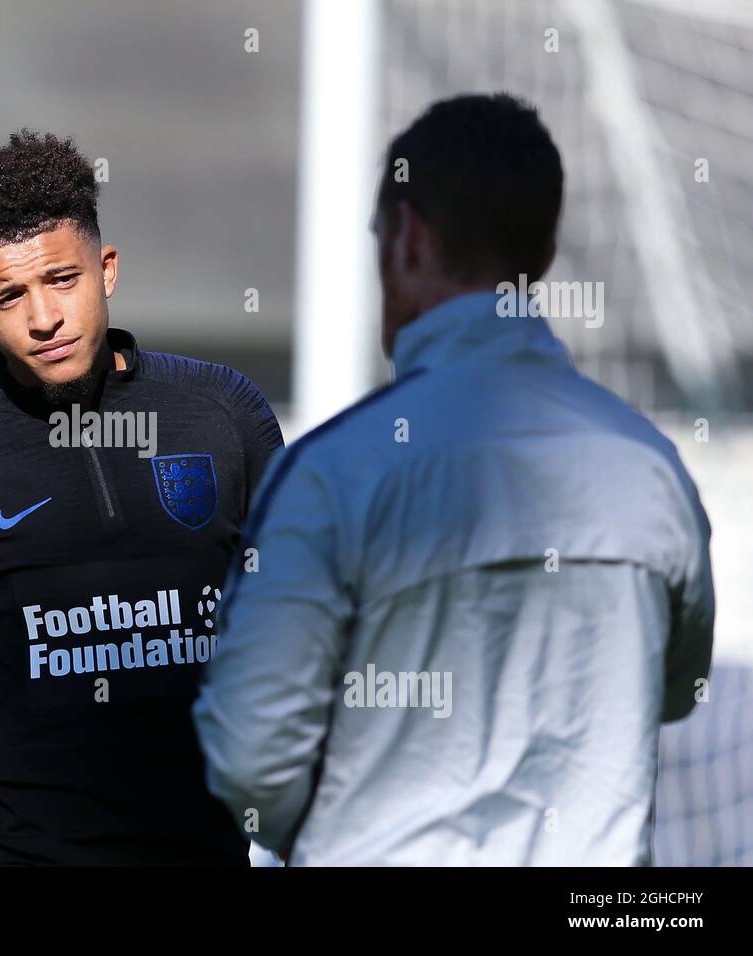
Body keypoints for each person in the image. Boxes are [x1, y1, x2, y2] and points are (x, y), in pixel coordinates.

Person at [193, 93, 714, 866]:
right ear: (543, 246)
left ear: (406, 238)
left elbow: (250, 756)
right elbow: (672, 692)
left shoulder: (335, 472)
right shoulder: (652, 469)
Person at [0, 129, 283, 865]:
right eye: (8, 296)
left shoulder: (224, 416)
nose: (44, 318)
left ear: (106, 270)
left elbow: (300, 645)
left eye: (62, 279)